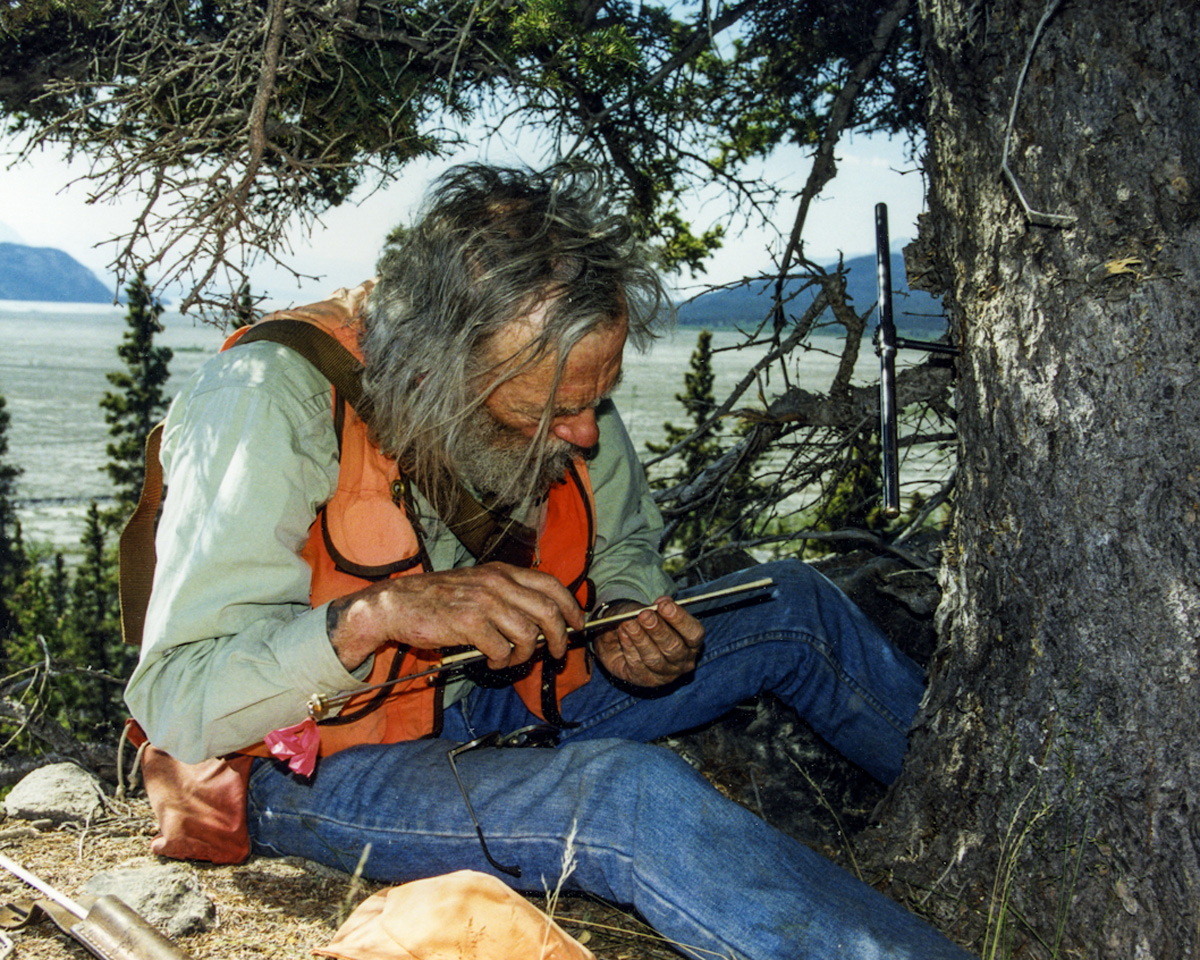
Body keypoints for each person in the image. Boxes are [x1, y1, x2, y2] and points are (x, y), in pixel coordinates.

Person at [125, 164, 973, 960]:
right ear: (438, 370)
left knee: (788, 603)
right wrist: (380, 616)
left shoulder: (558, 377)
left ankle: (998, 826)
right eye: (547, 413)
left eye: (595, 399)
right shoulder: (267, 399)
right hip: (308, 765)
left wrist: (629, 620)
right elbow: (177, 701)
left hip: (492, 700)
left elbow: (625, 541)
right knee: (625, 797)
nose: (586, 434)